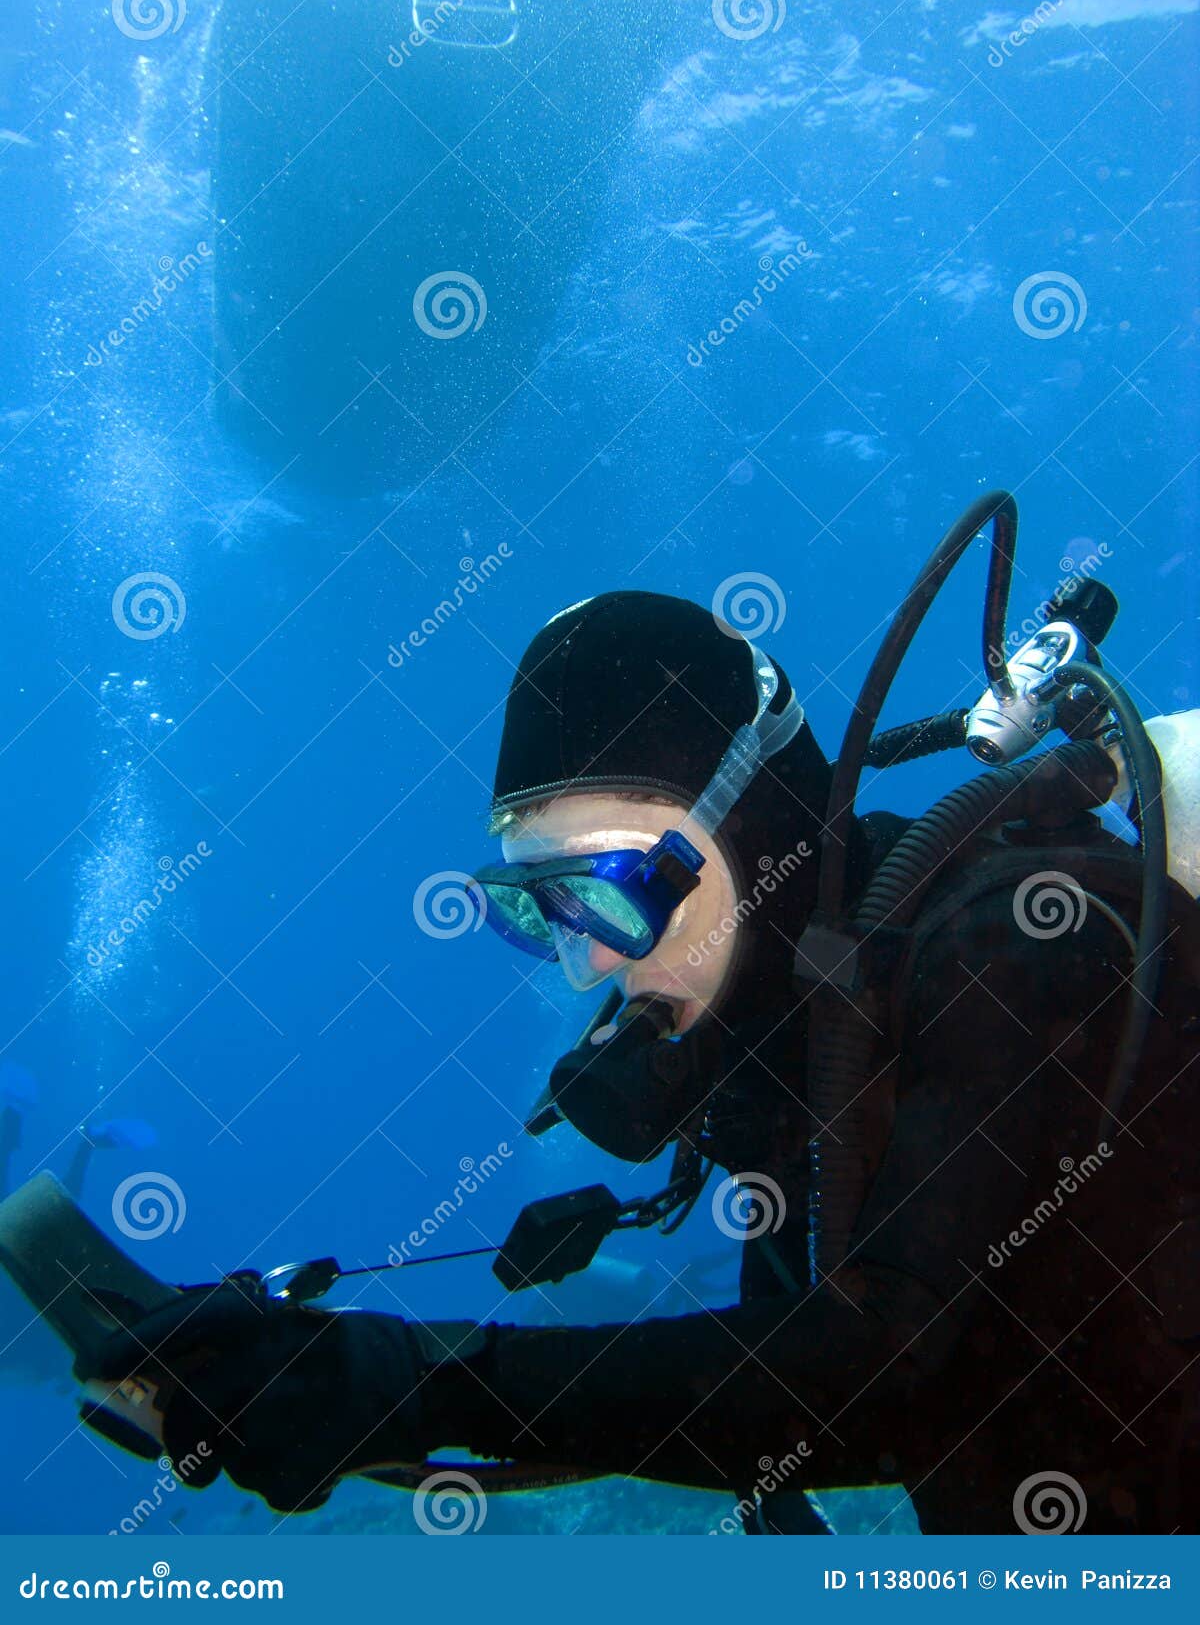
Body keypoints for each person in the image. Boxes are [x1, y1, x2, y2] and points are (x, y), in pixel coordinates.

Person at [72, 587, 1200, 1534]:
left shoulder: (1018, 941)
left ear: (756, 821)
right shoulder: (790, 1030)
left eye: (612, 889)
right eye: (539, 909)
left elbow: (892, 1369)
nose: (584, 967)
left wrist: (428, 1382)